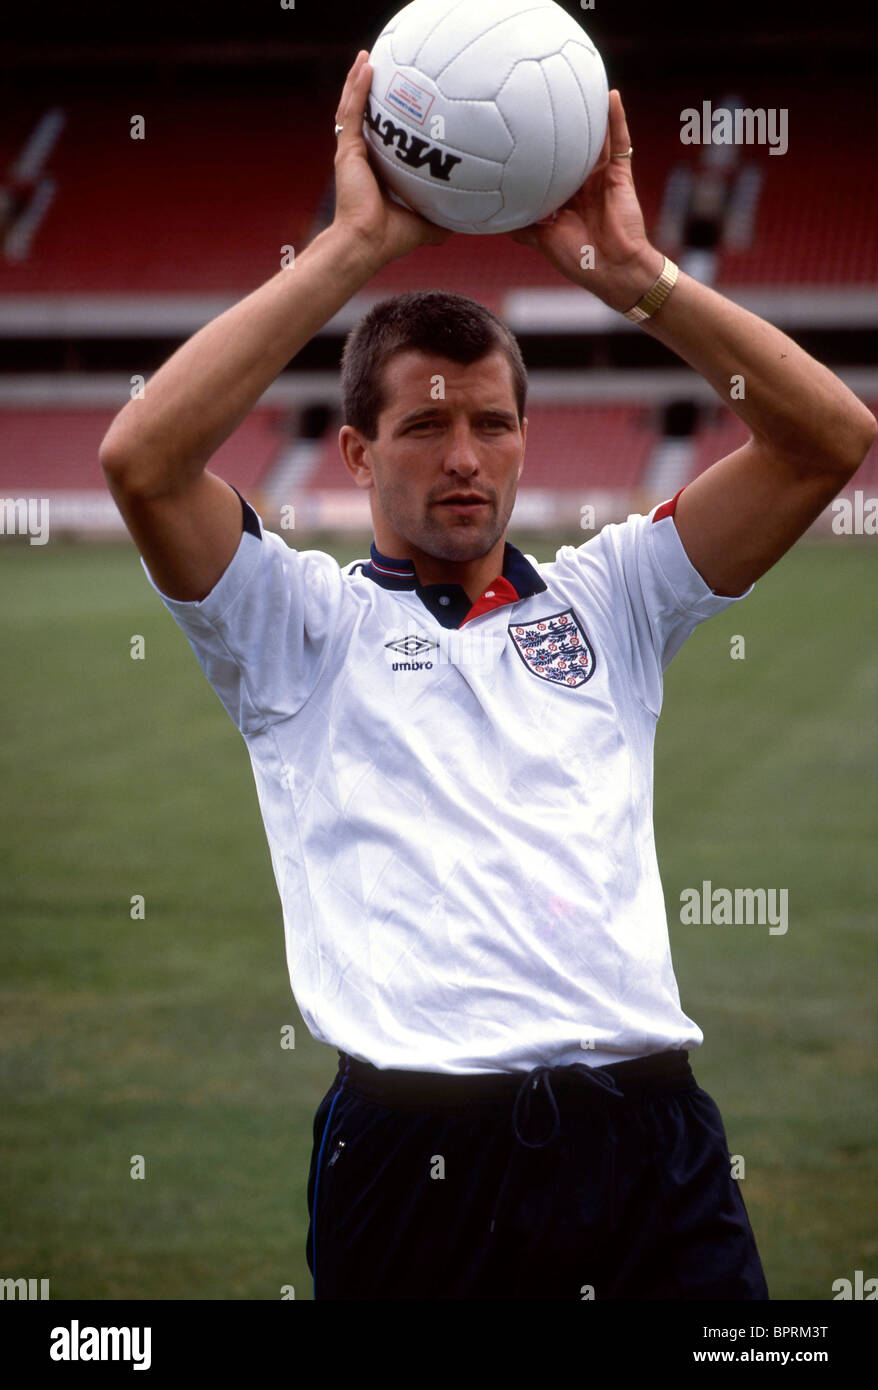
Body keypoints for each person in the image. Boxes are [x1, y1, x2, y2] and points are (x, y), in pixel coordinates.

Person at [99, 53, 876, 1300]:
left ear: (526, 437)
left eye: (493, 424)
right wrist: (352, 251)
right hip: (418, 1163)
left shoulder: (612, 595)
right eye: (422, 425)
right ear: (353, 451)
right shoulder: (293, 624)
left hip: (653, 1147)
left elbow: (828, 438)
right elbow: (141, 459)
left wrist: (636, 278)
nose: (465, 458)